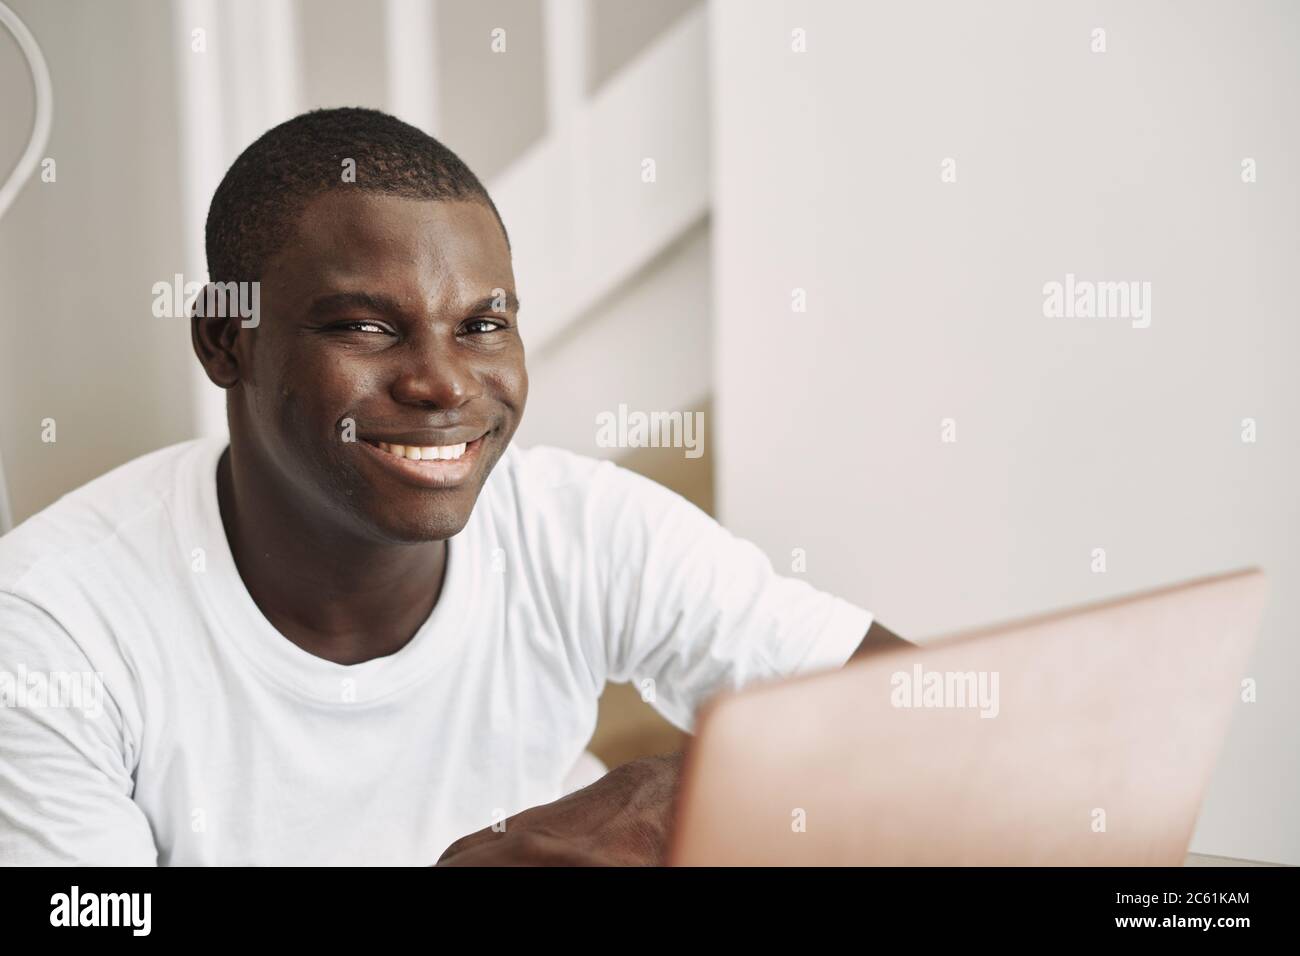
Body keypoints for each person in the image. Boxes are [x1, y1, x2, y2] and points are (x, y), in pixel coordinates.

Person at [0, 107, 906, 866]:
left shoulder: (583, 529)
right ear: (224, 342)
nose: (443, 383)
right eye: (365, 326)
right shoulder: (49, 633)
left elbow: (919, 720)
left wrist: (682, 795)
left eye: (482, 324)